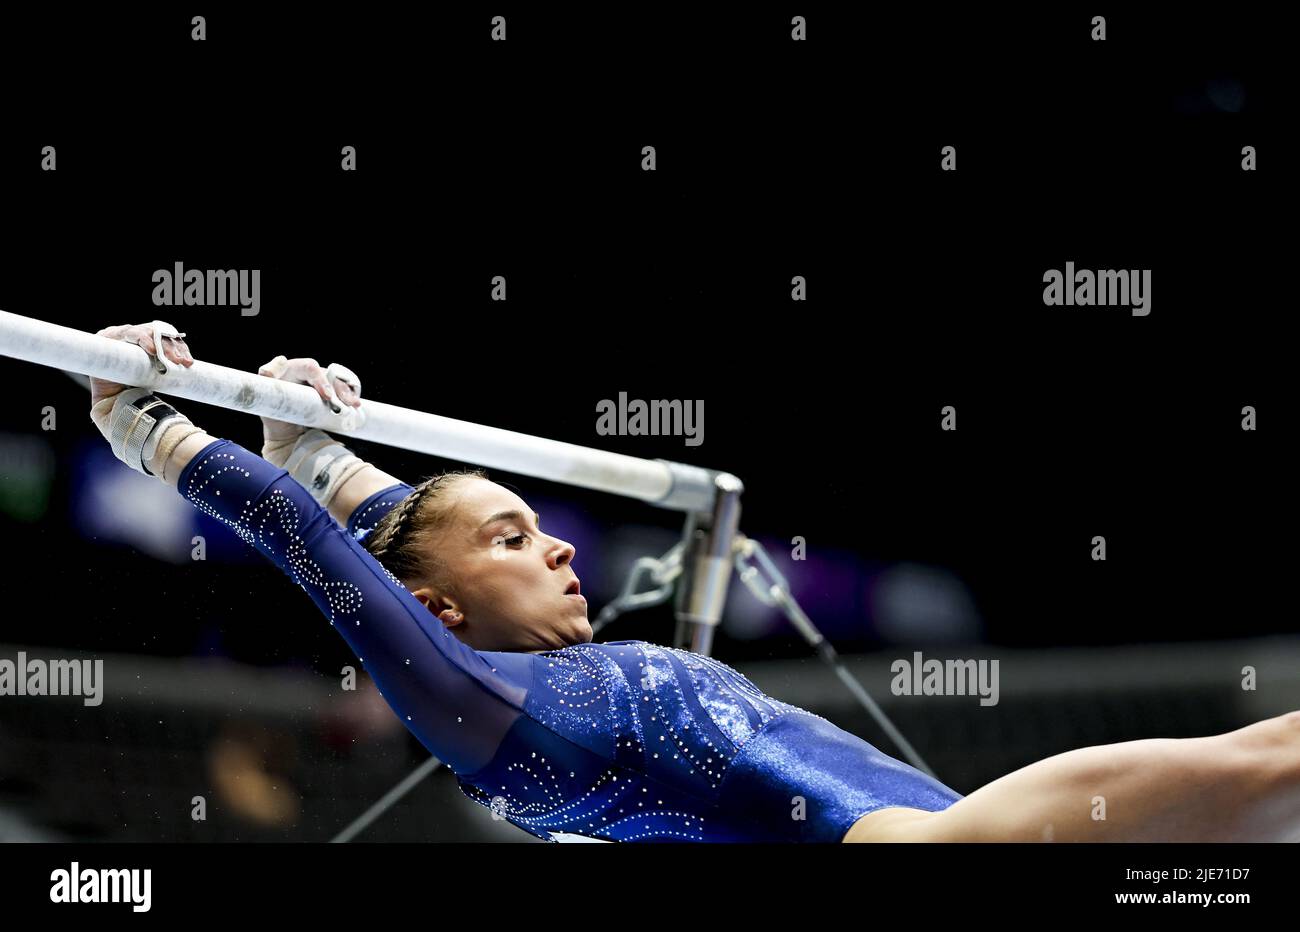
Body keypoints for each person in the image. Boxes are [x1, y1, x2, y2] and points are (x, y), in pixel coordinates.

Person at [87, 321, 1300, 843]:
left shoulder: (533, 681)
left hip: (944, 820)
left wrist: (307, 428)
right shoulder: (493, 711)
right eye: (517, 540)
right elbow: (317, 542)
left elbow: (398, 528)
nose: (559, 545)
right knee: (1271, 765)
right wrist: (135, 412)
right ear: (443, 613)